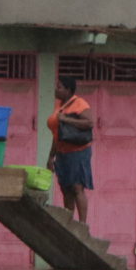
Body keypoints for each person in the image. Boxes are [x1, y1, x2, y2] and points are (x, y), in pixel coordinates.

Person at [47, 74, 95, 224]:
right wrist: (51, 157)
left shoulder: (79, 103)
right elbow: (57, 134)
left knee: (77, 187)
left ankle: (82, 224)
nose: (56, 90)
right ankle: (69, 223)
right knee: (66, 188)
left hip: (78, 151)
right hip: (62, 152)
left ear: (68, 90)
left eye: (59, 87)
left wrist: (66, 119)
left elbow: (89, 123)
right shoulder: (59, 105)